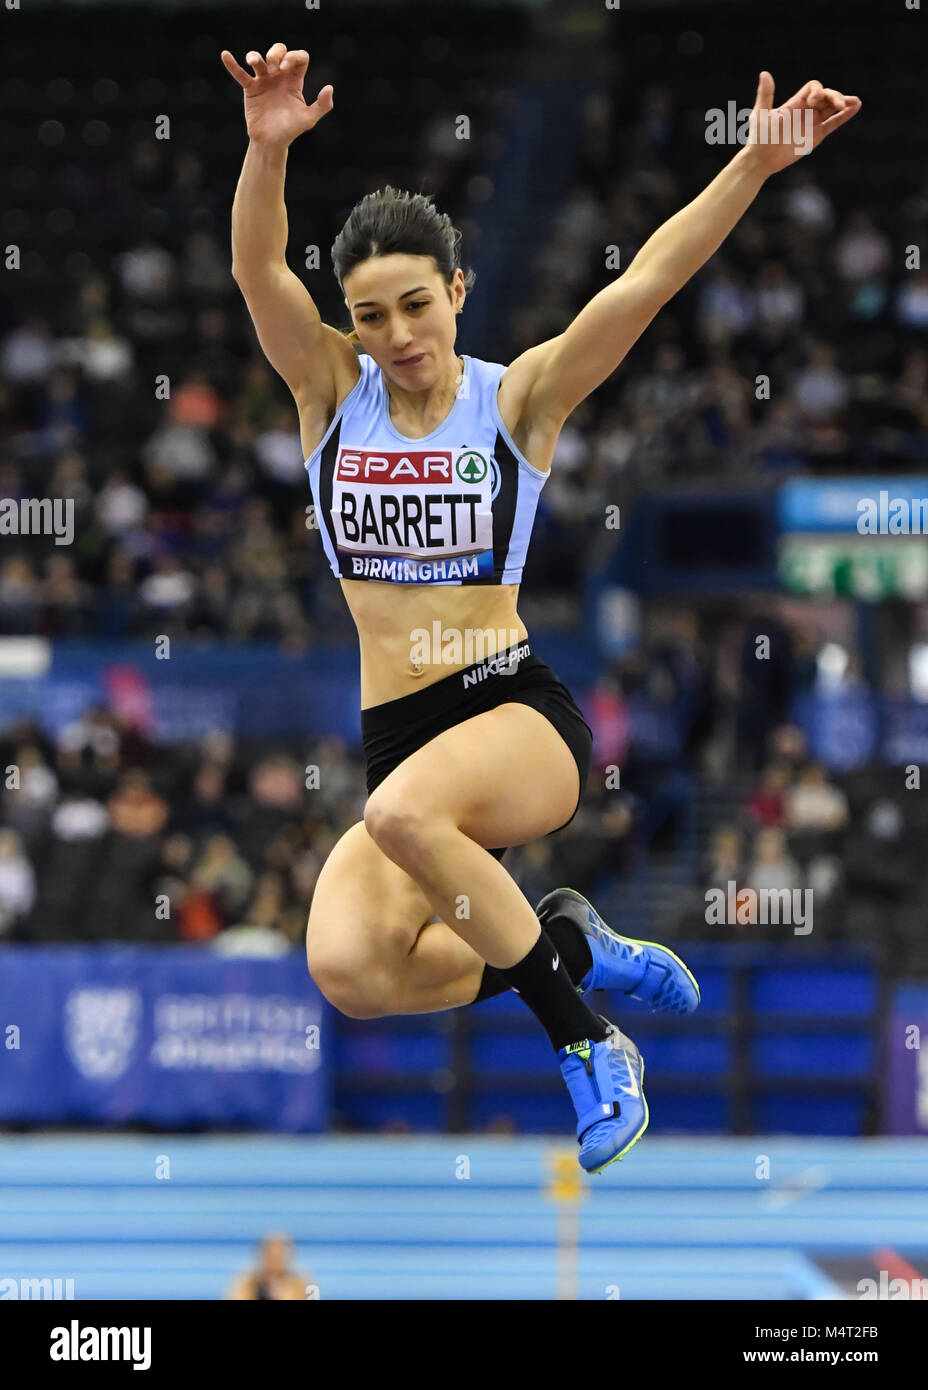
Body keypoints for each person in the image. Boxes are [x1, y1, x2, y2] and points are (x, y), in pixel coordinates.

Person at [222, 42, 860, 1173]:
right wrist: (266, 153)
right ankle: (561, 936)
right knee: (353, 968)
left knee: (403, 819)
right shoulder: (328, 396)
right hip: (398, 746)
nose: (398, 336)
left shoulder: (516, 398)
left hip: (513, 714)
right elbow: (258, 272)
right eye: (369, 315)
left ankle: (587, 1040)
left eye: (416, 304)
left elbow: (645, 282)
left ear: (457, 291)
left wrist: (749, 171)